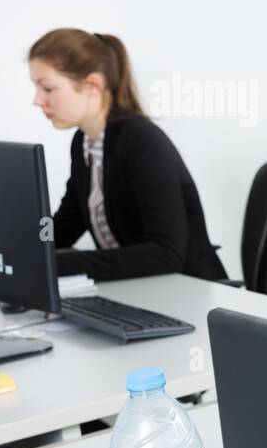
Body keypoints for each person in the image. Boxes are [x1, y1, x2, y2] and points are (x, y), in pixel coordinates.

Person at [28, 28, 227, 282]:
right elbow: (66, 225)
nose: (37, 100)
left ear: (92, 85)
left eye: (48, 88)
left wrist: (61, 264)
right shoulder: (84, 142)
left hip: (188, 290)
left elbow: (166, 254)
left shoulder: (141, 142)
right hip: (139, 290)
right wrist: (26, 248)